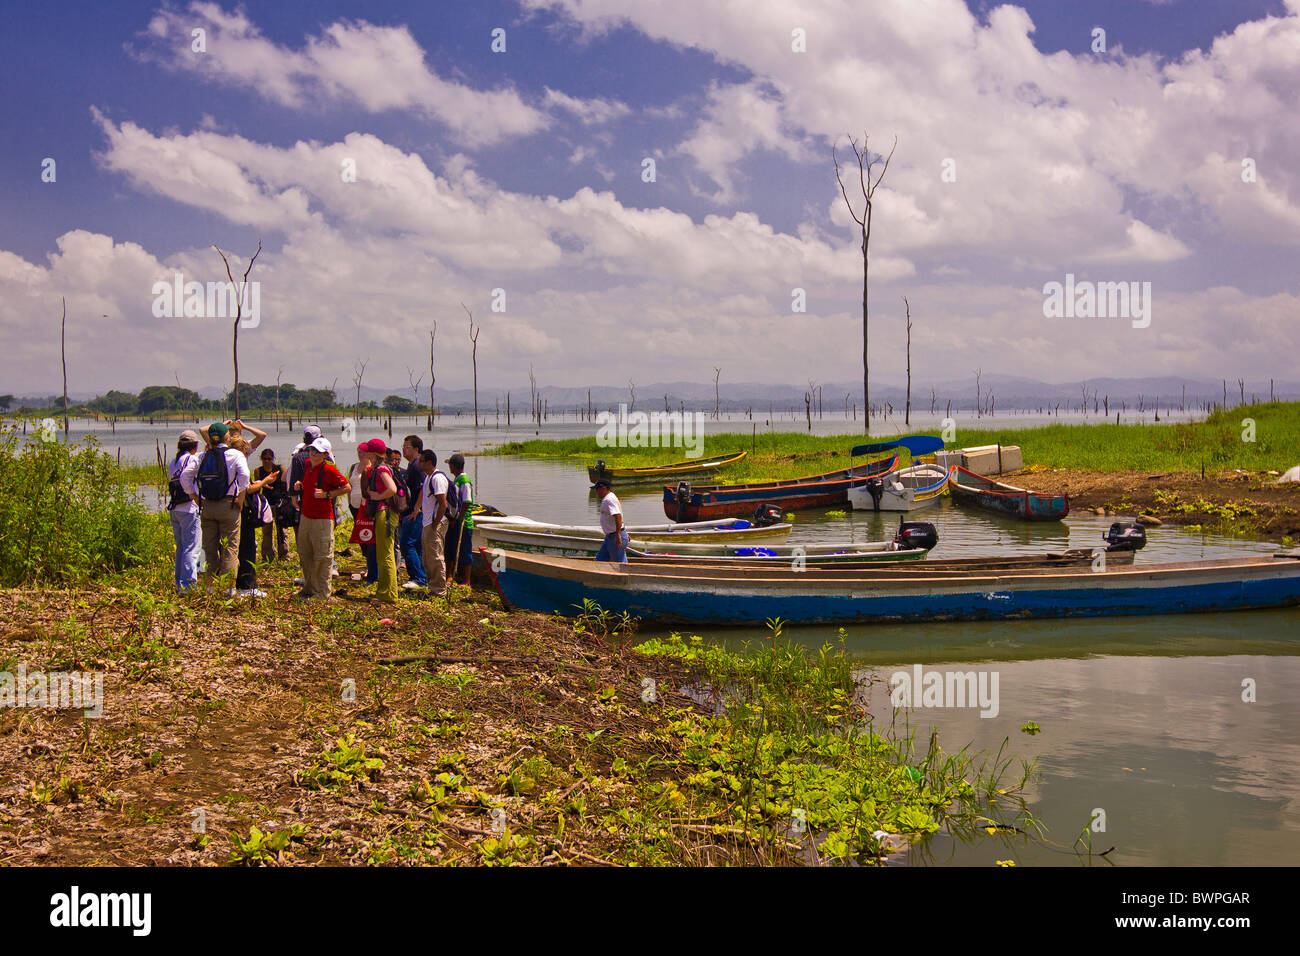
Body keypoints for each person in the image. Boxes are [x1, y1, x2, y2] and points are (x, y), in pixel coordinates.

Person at [181, 421, 251, 590]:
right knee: (230, 548)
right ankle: (227, 589)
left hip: (207, 506)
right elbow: (244, 476)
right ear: (227, 437)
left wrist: (195, 497)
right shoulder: (235, 455)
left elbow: (185, 477)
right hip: (228, 505)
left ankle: (210, 586)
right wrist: (240, 497)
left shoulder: (203, 456)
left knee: (209, 548)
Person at [293, 436, 350, 600]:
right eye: (311, 450)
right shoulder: (307, 465)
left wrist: (327, 494)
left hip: (323, 518)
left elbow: (347, 487)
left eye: (317, 451)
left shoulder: (329, 469)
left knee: (323, 556)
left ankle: (323, 592)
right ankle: (310, 587)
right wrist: (300, 485)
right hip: (306, 515)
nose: (313, 453)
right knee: (305, 552)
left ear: (325, 454)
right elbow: (309, 483)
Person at [223, 422, 271, 597]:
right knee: (246, 546)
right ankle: (246, 586)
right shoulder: (239, 460)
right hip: (240, 507)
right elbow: (246, 487)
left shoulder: (221, 456)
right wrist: (265, 482)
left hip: (224, 507)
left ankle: (226, 586)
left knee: (228, 547)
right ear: (243, 449)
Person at [363, 439, 401, 603]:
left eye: (367, 451)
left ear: (373, 453)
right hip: (385, 513)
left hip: (384, 513)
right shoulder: (378, 468)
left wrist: (378, 496)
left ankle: (387, 594)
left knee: (385, 555)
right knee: (385, 554)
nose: (364, 454)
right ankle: (387, 592)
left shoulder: (381, 469)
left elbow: (392, 489)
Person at [166, 429, 203, 590]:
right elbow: (185, 477)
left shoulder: (174, 461)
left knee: (181, 547)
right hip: (188, 508)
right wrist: (194, 495)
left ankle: (179, 582)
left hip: (175, 508)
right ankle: (188, 585)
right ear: (194, 446)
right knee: (191, 547)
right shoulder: (191, 460)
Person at [417, 449, 449, 597]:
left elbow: (443, 504)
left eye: (422, 460)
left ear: (429, 462)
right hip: (427, 522)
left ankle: (440, 591)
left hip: (435, 523)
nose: (419, 463)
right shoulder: (428, 477)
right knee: (428, 557)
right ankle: (432, 587)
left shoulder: (437, 478)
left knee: (436, 557)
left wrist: (436, 523)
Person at [398, 435, 427, 590]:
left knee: (407, 543)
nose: (404, 449)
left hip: (415, 513)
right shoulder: (411, 465)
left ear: (416, 449)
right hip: (411, 511)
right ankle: (420, 576)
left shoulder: (417, 466)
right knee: (415, 545)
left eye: (407, 446)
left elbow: (423, 487)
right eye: (403, 446)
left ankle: (418, 578)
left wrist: (417, 508)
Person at [346, 443, 377, 584]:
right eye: (358, 452)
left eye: (363, 452)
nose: (361, 454)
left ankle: (371, 566)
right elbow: (349, 485)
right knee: (359, 535)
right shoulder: (354, 467)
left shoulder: (372, 468)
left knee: (368, 535)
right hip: (354, 504)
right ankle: (367, 562)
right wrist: (348, 501)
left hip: (366, 506)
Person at [444, 453, 474, 587]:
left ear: (454, 466)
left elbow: (467, 501)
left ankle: (467, 581)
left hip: (463, 521)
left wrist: (459, 517)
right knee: (450, 547)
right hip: (454, 520)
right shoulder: (456, 480)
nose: (449, 467)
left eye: (450, 464)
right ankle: (449, 576)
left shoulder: (464, 481)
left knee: (464, 550)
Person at [256, 448, 290, 561]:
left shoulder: (279, 469)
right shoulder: (258, 471)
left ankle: (284, 555)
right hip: (266, 504)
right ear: (261, 459)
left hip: (279, 503)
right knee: (267, 531)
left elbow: (285, 484)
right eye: (265, 459)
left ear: (273, 459)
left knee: (281, 531)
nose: (267, 461)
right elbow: (257, 487)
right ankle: (267, 556)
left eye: (269, 459)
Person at [593, 478, 629, 563]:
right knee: (600, 559)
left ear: (603, 488)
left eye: (597, 490)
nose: (596, 492)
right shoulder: (609, 497)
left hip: (614, 536)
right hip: (610, 536)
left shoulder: (609, 499)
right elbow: (618, 515)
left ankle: (624, 576)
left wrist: (618, 535)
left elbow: (618, 516)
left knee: (619, 563)